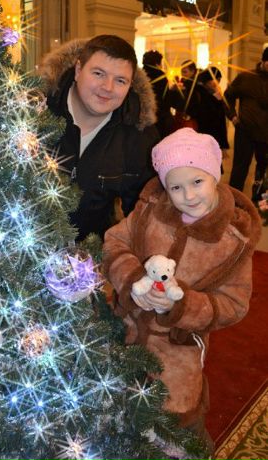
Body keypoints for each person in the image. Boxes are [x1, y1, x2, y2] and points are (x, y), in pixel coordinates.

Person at [103, 128, 261, 455]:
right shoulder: (150, 211)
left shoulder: (233, 239)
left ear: (215, 175)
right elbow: (114, 242)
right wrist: (132, 280)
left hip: (178, 351)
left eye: (197, 181)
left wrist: (180, 305)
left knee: (178, 425)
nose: (188, 195)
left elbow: (233, 305)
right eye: (176, 187)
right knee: (118, 409)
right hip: (125, 331)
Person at [40, 34, 159, 241]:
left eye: (120, 80)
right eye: (98, 73)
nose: (108, 88)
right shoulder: (37, 111)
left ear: (130, 85)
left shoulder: (139, 136)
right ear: (78, 70)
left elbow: (144, 216)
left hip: (90, 253)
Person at [224, 47, 268, 201]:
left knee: (263, 170)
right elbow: (227, 97)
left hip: (266, 134)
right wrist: (233, 117)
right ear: (263, 61)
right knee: (239, 170)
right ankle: (234, 202)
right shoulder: (246, 77)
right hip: (245, 131)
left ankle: (259, 202)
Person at [193, 67, 229, 154]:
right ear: (207, 80)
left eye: (219, 80)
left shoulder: (214, 94)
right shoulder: (199, 93)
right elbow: (208, 117)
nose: (217, 83)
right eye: (215, 79)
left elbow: (221, 122)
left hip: (213, 140)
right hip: (202, 139)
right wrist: (216, 100)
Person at [142, 49, 175, 138]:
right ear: (157, 63)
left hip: (142, 115)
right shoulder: (161, 76)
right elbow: (166, 99)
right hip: (159, 116)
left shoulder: (139, 75)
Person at [169, 59, 199, 131]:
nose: (182, 74)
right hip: (180, 117)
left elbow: (194, 103)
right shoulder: (181, 84)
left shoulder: (196, 85)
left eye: (185, 72)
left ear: (193, 72)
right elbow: (174, 103)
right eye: (181, 72)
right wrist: (173, 90)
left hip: (190, 119)